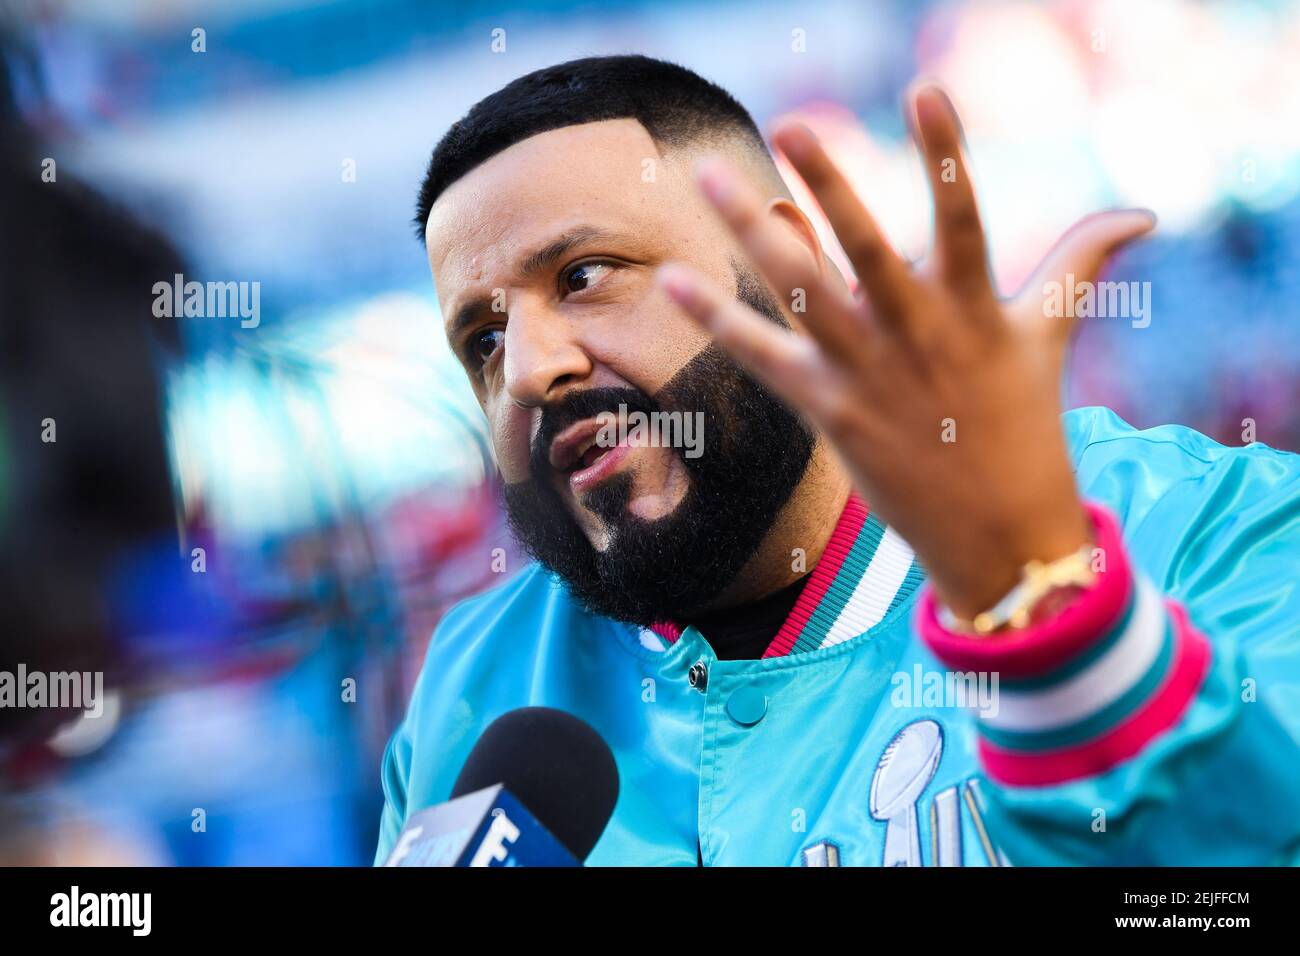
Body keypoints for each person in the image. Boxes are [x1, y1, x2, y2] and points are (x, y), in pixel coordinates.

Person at [375, 55, 1300, 865]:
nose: (532, 370)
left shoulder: (1193, 523)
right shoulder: (470, 697)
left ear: (782, 262)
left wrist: (1045, 608)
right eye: (484, 339)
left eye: (583, 276)